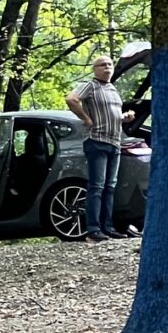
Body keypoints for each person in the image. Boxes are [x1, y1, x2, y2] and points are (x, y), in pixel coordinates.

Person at [67, 55, 126, 241]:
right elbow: (71, 99)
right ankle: (93, 230)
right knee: (97, 186)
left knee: (110, 187)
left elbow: (111, 114)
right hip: (97, 141)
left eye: (109, 64)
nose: (107, 67)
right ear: (95, 69)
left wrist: (124, 117)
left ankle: (107, 228)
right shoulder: (91, 85)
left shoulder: (113, 88)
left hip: (115, 143)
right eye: (103, 65)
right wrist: (85, 119)